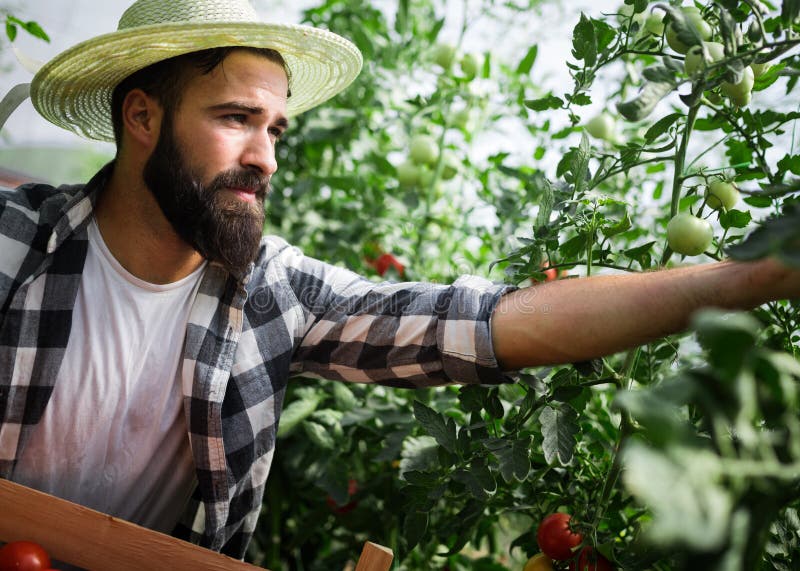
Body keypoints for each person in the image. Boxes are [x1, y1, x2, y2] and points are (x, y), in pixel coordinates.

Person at [0, 0, 797, 560]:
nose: (267, 156)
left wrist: (746, 279)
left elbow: (480, 326)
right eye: (236, 118)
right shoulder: (14, 244)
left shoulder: (273, 294)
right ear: (142, 118)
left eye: (275, 128)